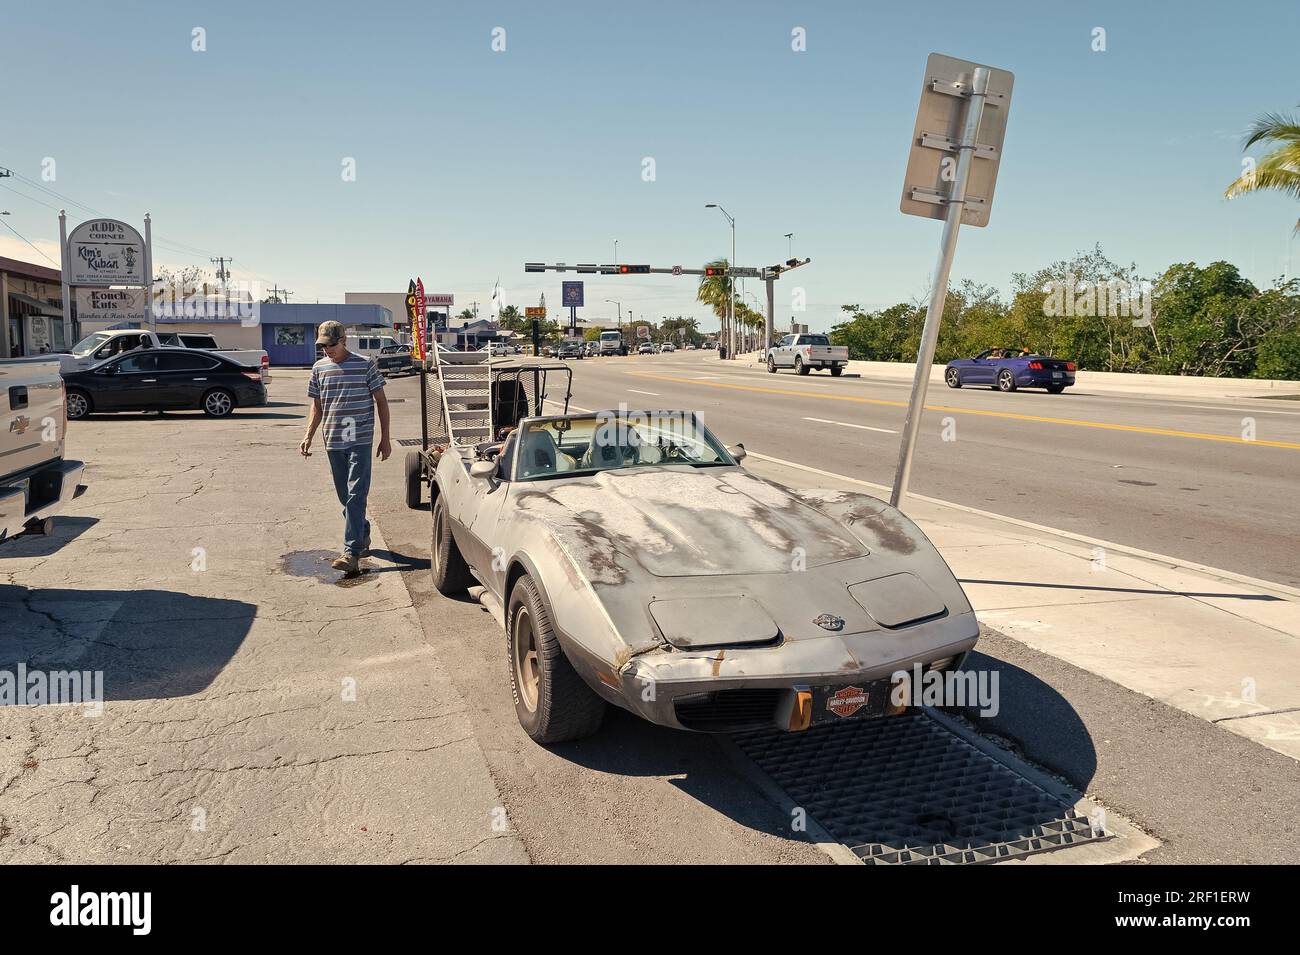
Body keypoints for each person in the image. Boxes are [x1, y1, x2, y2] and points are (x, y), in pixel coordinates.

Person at [300, 321, 392, 575]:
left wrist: (385, 438)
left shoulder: (365, 365)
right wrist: (308, 435)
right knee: (345, 495)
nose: (327, 350)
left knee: (355, 494)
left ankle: (351, 553)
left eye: (331, 344)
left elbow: (382, 402)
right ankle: (361, 533)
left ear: (343, 341)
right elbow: (317, 406)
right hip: (333, 441)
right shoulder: (319, 369)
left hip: (360, 440)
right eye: (322, 345)